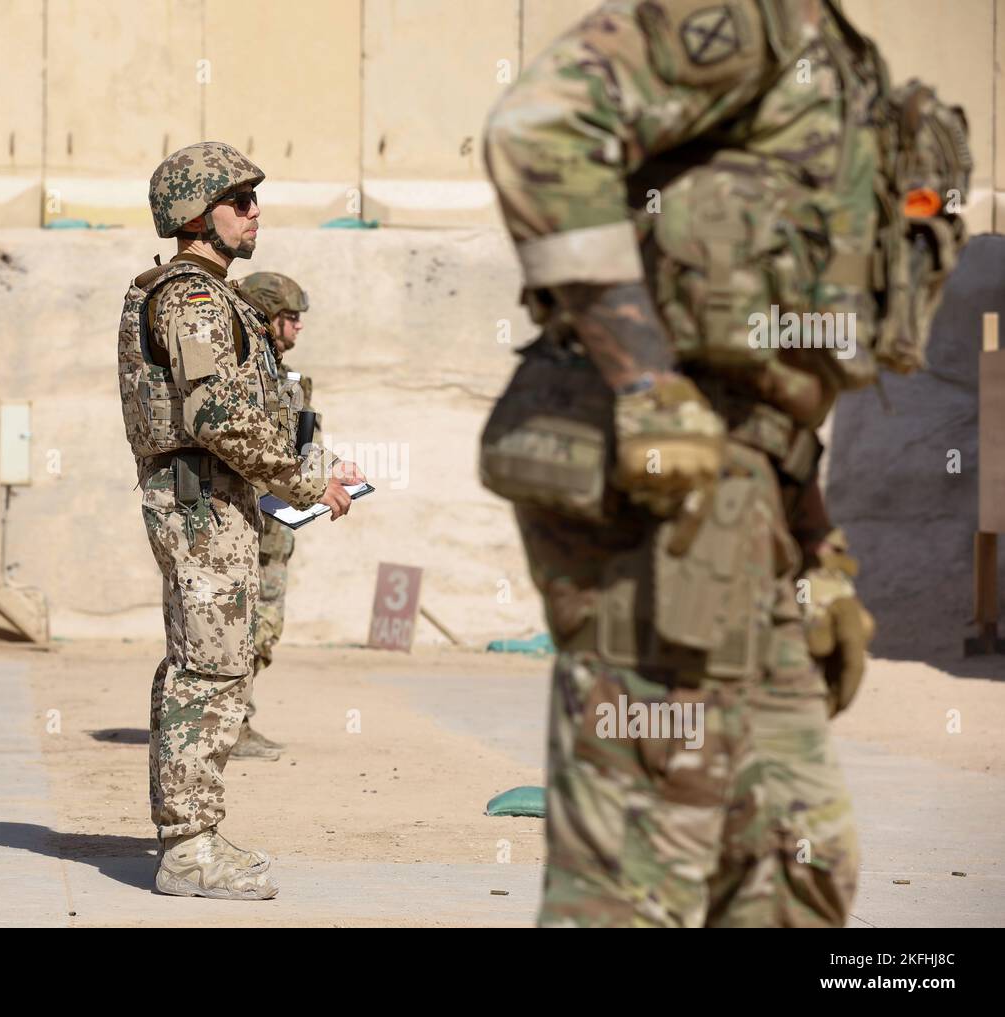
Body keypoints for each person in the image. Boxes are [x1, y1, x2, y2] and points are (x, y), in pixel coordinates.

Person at [481, 0, 969, 926]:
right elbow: (538, 129)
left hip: (753, 503)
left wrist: (812, 544)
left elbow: (770, 373)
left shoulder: (837, 53)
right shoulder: (748, 17)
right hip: (659, 505)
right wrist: (646, 382)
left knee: (795, 859)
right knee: (640, 868)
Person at [118, 142, 363, 899]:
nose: (255, 212)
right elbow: (220, 414)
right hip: (201, 507)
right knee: (211, 667)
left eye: (254, 198)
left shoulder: (210, 295)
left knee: (205, 661)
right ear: (196, 215)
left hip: (212, 502)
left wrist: (310, 466)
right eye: (239, 201)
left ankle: (191, 834)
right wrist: (309, 476)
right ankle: (189, 847)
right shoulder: (191, 297)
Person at [231, 271, 318, 760]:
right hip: (252, 520)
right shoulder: (250, 372)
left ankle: (237, 719)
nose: (299, 327)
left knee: (264, 629)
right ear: (268, 318)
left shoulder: (287, 378)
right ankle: (232, 724)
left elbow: (301, 447)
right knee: (245, 628)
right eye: (291, 317)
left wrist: (329, 475)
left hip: (280, 522)